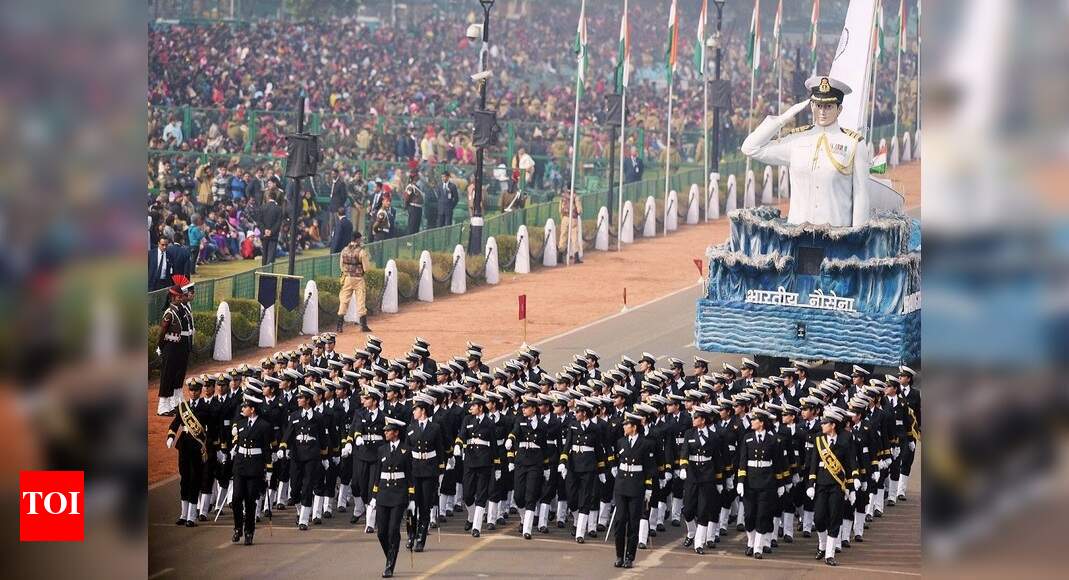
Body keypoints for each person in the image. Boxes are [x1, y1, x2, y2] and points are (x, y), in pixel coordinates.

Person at [741, 75, 872, 227]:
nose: (822, 111)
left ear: (839, 109)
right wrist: (782, 119)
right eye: (818, 105)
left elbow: (861, 196)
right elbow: (750, 148)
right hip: (797, 234)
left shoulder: (853, 143)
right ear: (812, 106)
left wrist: (857, 236)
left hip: (837, 235)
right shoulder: (797, 139)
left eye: (828, 106)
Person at [806, 407, 857, 566]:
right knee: (819, 518)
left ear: (833, 424)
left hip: (837, 485)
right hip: (821, 483)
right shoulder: (819, 439)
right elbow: (813, 463)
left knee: (835, 518)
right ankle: (822, 544)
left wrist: (852, 484)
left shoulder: (846, 438)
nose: (822, 425)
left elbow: (850, 462)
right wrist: (811, 483)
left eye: (825, 422)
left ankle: (830, 554)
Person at [737, 408, 786, 559]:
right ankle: (751, 542)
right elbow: (742, 461)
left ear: (762, 422)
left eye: (754, 420)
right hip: (750, 482)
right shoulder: (747, 438)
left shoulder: (773, 440)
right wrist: (740, 481)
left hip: (767, 482)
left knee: (762, 515)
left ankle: (757, 547)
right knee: (749, 515)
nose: (752, 422)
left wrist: (780, 483)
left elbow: (777, 463)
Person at [279, 385, 329, 531]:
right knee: (294, 489)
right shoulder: (295, 416)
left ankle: (304, 519)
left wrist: (324, 456)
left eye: (301, 398)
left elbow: (323, 437)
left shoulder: (318, 417)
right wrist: (282, 447)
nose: (298, 400)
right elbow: (288, 433)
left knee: (307, 487)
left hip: (312, 456)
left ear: (307, 400)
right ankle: (300, 510)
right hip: (297, 455)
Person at [611, 411, 655, 569]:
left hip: (636, 485)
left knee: (633, 523)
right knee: (619, 521)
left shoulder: (646, 443)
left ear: (634, 427)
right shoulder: (621, 442)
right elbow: (615, 459)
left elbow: (649, 468)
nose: (624, 427)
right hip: (621, 485)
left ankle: (629, 556)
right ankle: (619, 555)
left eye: (627, 425)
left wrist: (648, 487)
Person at [372, 417, 413, 578]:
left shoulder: (406, 450)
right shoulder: (381, 449)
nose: (385, 433)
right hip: (383, 493)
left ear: (396, 433)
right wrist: (374, 495)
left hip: (399, 493)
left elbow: (410, 475)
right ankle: (390, 556)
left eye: (388, 431)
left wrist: (411, 497)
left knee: (393, 530)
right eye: (385, 431)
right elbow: (377, 473)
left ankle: (390, 564)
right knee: (381, 533)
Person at [231, 391, 273, 545]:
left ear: (253, 409)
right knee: (236, 498)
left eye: (245, 406)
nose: (242, 409)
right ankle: (237, 528)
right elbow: (237, 443)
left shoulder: (264, 426)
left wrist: (269, 469)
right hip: (240, 464)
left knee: (250, 500)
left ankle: (249, 531)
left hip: (255, 466)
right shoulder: (241, 423)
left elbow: (267, 449)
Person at [406, 393, 446, 552]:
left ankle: (420, 538)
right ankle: (410, 535)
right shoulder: (411, 428)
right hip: (414, 470)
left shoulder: (435, 427)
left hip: (429, 470)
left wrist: (441, 470)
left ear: (422, 410)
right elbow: (407, 451)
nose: (413, 412)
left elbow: (440, 449)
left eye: (415, 409)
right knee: (411, 505)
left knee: (424, 507)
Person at [167, 377, 208, 528]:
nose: (193, 392)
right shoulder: (183, 407)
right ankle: (183, 515)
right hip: (184, 446)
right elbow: (175, 424)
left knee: (194, 479)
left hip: (197, 447)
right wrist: (171, 436)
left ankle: (192, 516)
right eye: (191, 390)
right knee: (184, 479)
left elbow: (211, 428)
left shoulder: (205, 407)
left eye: (196, 390)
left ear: (200, 391)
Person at [156, 275, 195, 415]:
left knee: (176, 375)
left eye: (181, 296)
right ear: (172, 298)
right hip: (170, 348)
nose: (180, 298)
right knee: (167, 375)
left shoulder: (181, 309)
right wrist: (160, 347)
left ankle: (172, 403)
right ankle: (162, 407)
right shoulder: (169, 313)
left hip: (180, 347)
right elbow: (162, 332)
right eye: (178, 297)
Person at [337, 232, 372, 333]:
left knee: (344, 301)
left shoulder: (344, 250)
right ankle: (363, 325)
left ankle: (339, 326)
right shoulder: (361, 252)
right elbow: (366, 268)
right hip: (358, 278)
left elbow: (341, 266)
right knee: (360, 301)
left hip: (347, 278)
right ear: (357, 239)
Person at [256, 193, 284, 265]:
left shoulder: (262, 207)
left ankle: (263, 271)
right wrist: (271, 231)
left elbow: (259, 221)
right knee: (271, 255)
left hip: (264, 235)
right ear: (275, 198)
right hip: (273, 235)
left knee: (264, 255)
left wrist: (264, 230)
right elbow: (278, 223)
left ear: (268, 197)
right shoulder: (279, 209)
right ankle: (269, 271)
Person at [558, 188, 583, 264]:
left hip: (565, 218)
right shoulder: (575, 197)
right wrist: (579, 212)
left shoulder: (563, 196)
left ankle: (560, 256)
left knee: (563, 237)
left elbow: (560, 210)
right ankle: (576, 257)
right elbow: (579, 210)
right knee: (574, 237)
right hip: (573, 219)